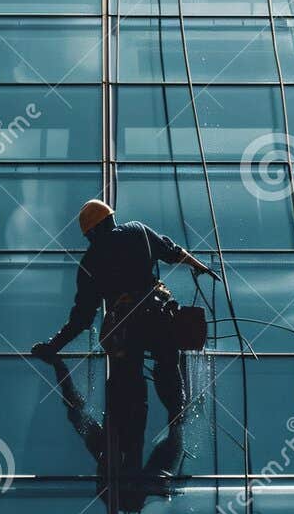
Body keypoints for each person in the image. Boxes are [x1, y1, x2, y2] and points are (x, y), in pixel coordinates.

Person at [31, 199, 218, 487]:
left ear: (92, 232)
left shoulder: (92, 260)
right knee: (167, 366)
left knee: (130, 385)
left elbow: (82, 317)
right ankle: (177, 419)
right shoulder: (137, 230)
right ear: (110, 219)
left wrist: (53, 346)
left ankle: (138, 442)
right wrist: (199, 266)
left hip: (127, 329)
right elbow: (171, 251)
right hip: (159, 315)